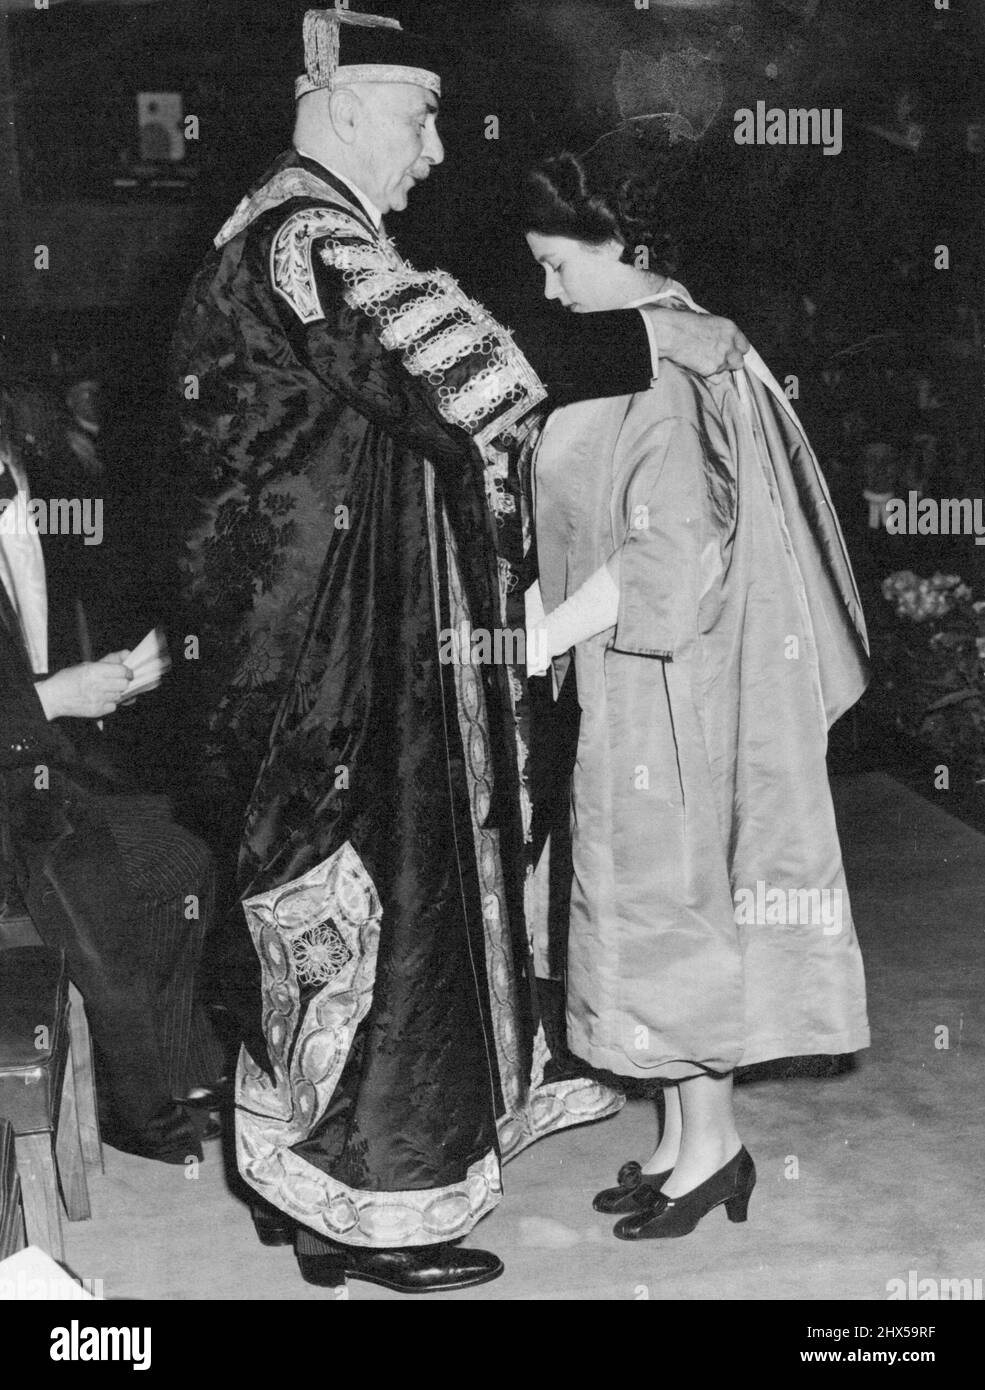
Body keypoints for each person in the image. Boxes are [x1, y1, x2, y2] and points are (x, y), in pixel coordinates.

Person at [173, 4, 748, 1294]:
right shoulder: (311, 234)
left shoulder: (271, 229)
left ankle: (299, 1183)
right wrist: (650, 328)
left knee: (306, 911)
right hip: (338, 657)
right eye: (422, 116)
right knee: (384, 902)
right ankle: (374, 1204)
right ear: (344, 102)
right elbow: (470, 377)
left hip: (299, 636)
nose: (435, 152)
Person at [522, 145, 871, 1239]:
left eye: (556, 266)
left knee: (677, 909)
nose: (547, 290)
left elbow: (665, 557)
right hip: (648, 677)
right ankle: (680, 1137)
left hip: (672, 684)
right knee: (651, 907)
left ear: (621, 251)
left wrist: (537, 631)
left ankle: (713, 1149)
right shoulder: (649, 341)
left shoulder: (670, 367)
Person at [0, 405, 223, 1164]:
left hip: (32, 779)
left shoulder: (29, 476)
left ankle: (162, 1081)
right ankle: (144, 1110)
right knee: (103, 911)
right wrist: (54, 698)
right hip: (12, 812)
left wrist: (112, 681)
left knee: (184, 857)